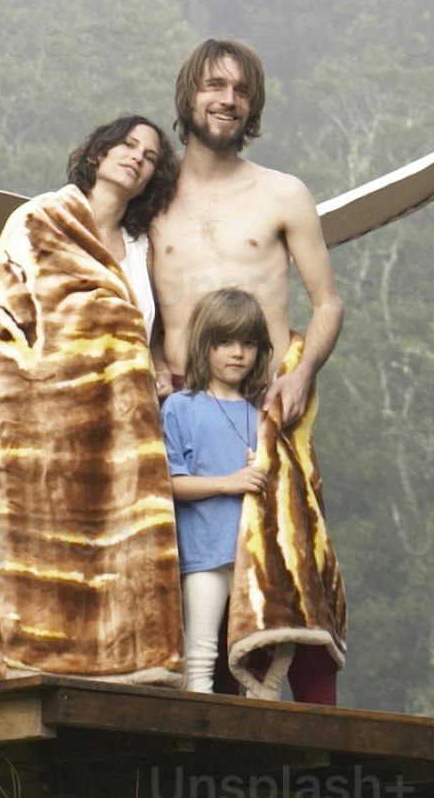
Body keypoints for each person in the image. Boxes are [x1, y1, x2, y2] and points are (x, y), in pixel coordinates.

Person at [133, 38, 349, 702]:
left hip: (266, 402)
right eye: (213, 85)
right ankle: (213, 737)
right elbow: (127, 296)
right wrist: (145, 372)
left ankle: (324, 739)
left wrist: (302, 372)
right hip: (181, 410)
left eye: (240, 90)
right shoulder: (151, 196)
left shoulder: (282, 193)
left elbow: (328, 302)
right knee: (196, 568)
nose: (227, 99)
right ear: (187, 96)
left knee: (284, 555)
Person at [0, 113, 180, 681]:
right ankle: (37, 663)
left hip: (123, 431)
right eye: (126, 144)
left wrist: (154, 368)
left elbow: (146, 333)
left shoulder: (143, 249)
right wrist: (31, 401)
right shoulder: (38, 221)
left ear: (154, 178)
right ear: (99, 152)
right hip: (42, 426)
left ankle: (124, 666)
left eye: (150, 155)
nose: (136, 157)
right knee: (46, 554)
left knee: (118, 550)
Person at [158, 290, 279, 694]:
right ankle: (196, 740)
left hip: (253, 557)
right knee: (201, 654)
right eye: (224, 341)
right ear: (203, 345)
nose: (237, 353)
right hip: (204, 553)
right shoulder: (179, 406)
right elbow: (170, 484)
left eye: (247, 342)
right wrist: (231, 481)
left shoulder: (261, 412)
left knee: (257, 654)